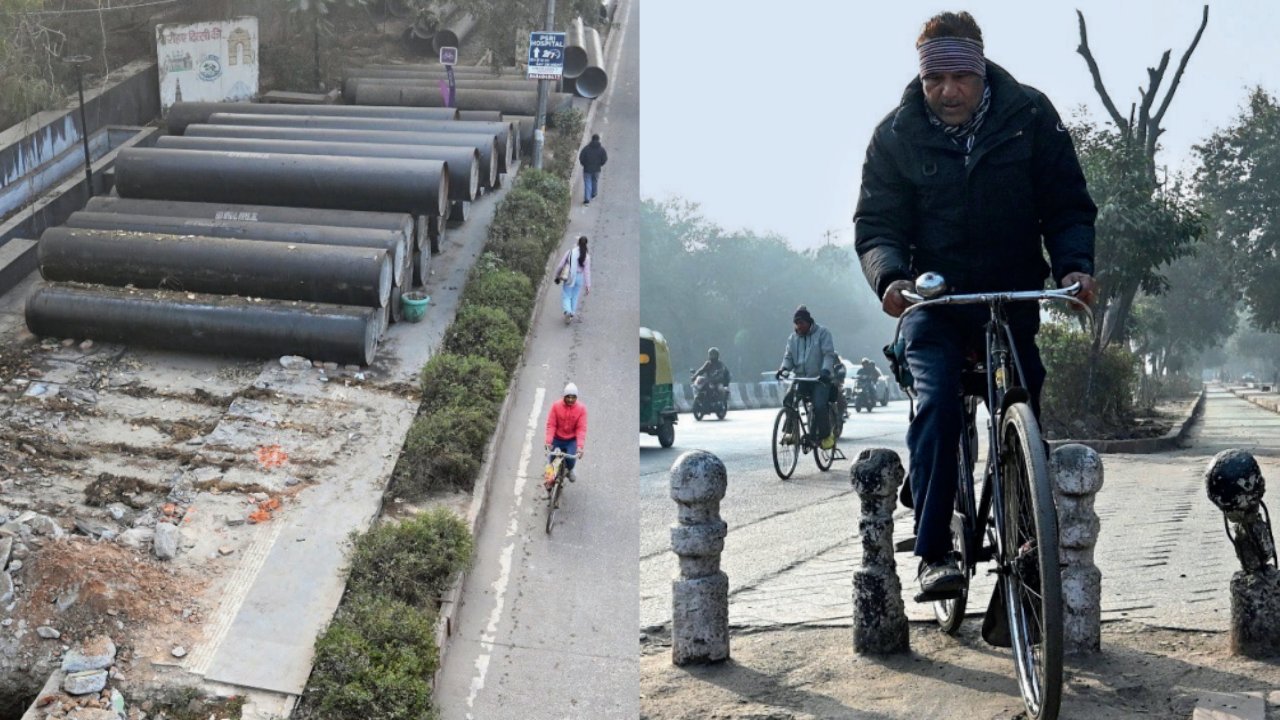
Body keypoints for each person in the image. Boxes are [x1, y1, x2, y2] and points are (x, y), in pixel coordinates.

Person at [853, 11, 1098, 597]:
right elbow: (876, 224)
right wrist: (890, 278)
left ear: (981, 68)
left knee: (1024, 408)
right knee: (938, 409)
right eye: (935, 80)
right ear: (923, 78)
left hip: (1009, 295)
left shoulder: (1031, 117)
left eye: (960, 77)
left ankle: (1027, 539)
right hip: (933, 304)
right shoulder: (895, 135)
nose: (947, 91)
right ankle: (935, 552)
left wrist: (1074, 267)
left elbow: (1066, 205)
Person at [775, 305, 838, 450]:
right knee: (789, 401)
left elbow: (829, 354)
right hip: (801, 379)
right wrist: (783, 369)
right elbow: (789, 358)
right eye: (796, 323)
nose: (798, 326)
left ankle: (826, 436)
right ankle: (791, 432)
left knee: (819, 405)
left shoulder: (822, 333)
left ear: (809, 322)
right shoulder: (793, 338)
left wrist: (826, 371)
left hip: (819, 379)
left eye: (801, 323)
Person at [544, 383, 586, 489]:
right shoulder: (556, 406)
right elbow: (551, 424)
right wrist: (549, 441)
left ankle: (570, 469)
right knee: (553, 462)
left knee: (571, 460)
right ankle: (548, 483)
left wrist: (580, 447)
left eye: (573, 397)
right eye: (568, 397)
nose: (571, 400)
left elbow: (581, 429)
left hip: (571, 440)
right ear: (564, 396)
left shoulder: (581, 409)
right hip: (557, 439)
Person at [553, 236, 592, 324]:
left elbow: (560, 265)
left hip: (569, 276)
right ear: (586, 244)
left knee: (566, 295)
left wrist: (557, 275)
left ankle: (567, 311)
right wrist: (588, 285)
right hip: (579, 277)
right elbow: (587, 272)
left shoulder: (570, 252)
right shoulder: (587, 257)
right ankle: (571, 314)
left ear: (578, 243)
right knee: (575, 296)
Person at [578, 134, 608, 204]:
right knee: (595, 181)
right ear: (598, 140)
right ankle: (594, 194)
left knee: (588, 183)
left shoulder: (586, 149)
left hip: (587, 169)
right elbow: (604, 159)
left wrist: (584, 164)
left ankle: (587, 199)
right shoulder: (601, 150)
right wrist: (600, 165)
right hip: (597, 169)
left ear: (592, 139)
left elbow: (581, 158)